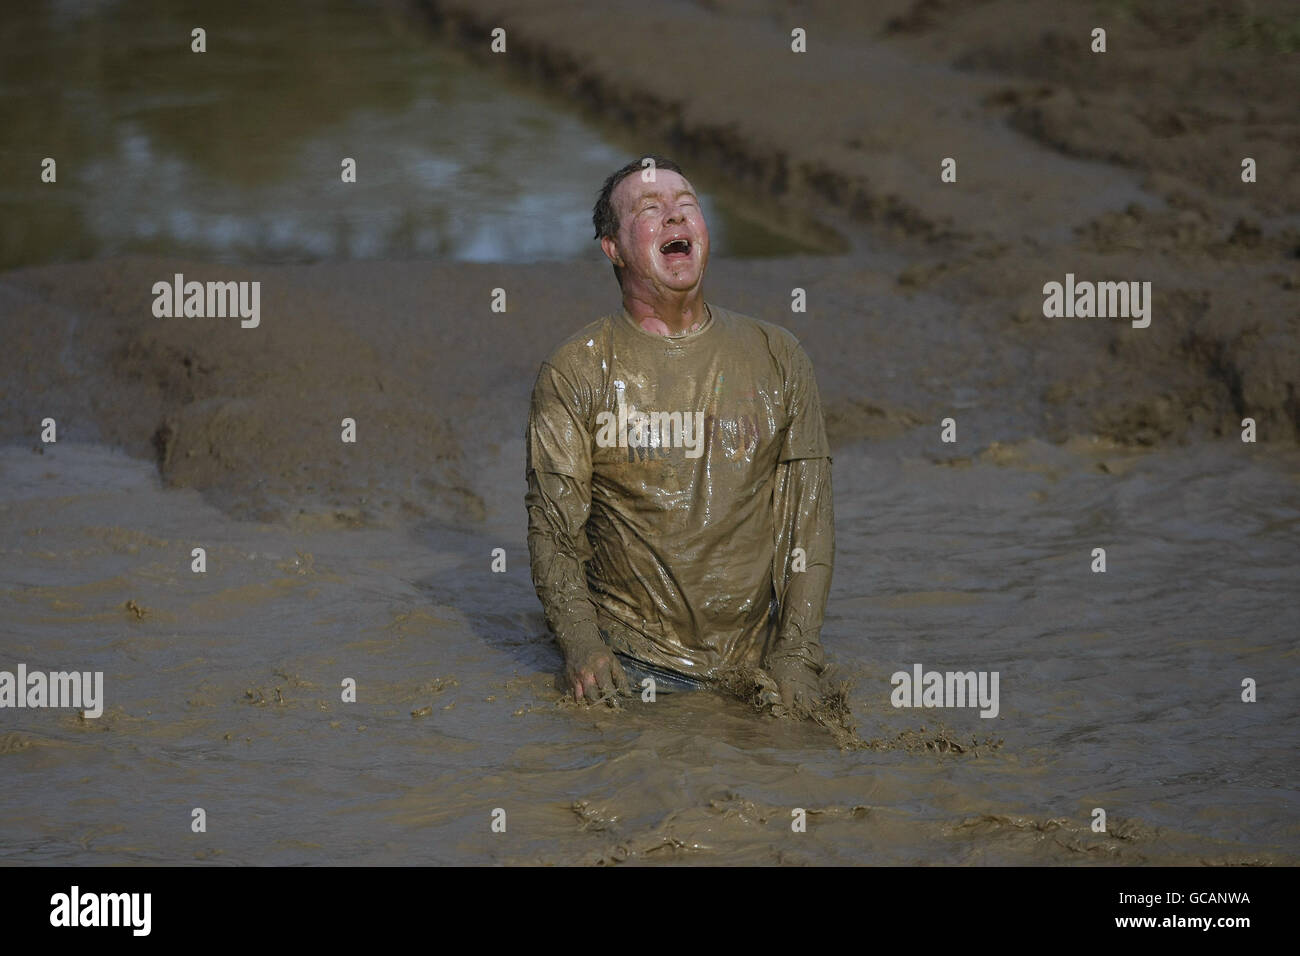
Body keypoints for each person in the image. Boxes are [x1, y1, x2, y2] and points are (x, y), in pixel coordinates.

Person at [525, 155, 834, 712]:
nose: (675, 217)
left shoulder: (778, 355)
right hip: (633, 671)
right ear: (613, 248)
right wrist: (581, 647)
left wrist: (796, 657)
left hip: (754, 671)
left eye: (686, 205)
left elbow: (805, 527)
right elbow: (553, 530)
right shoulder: (575, 369)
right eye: (650, 209)